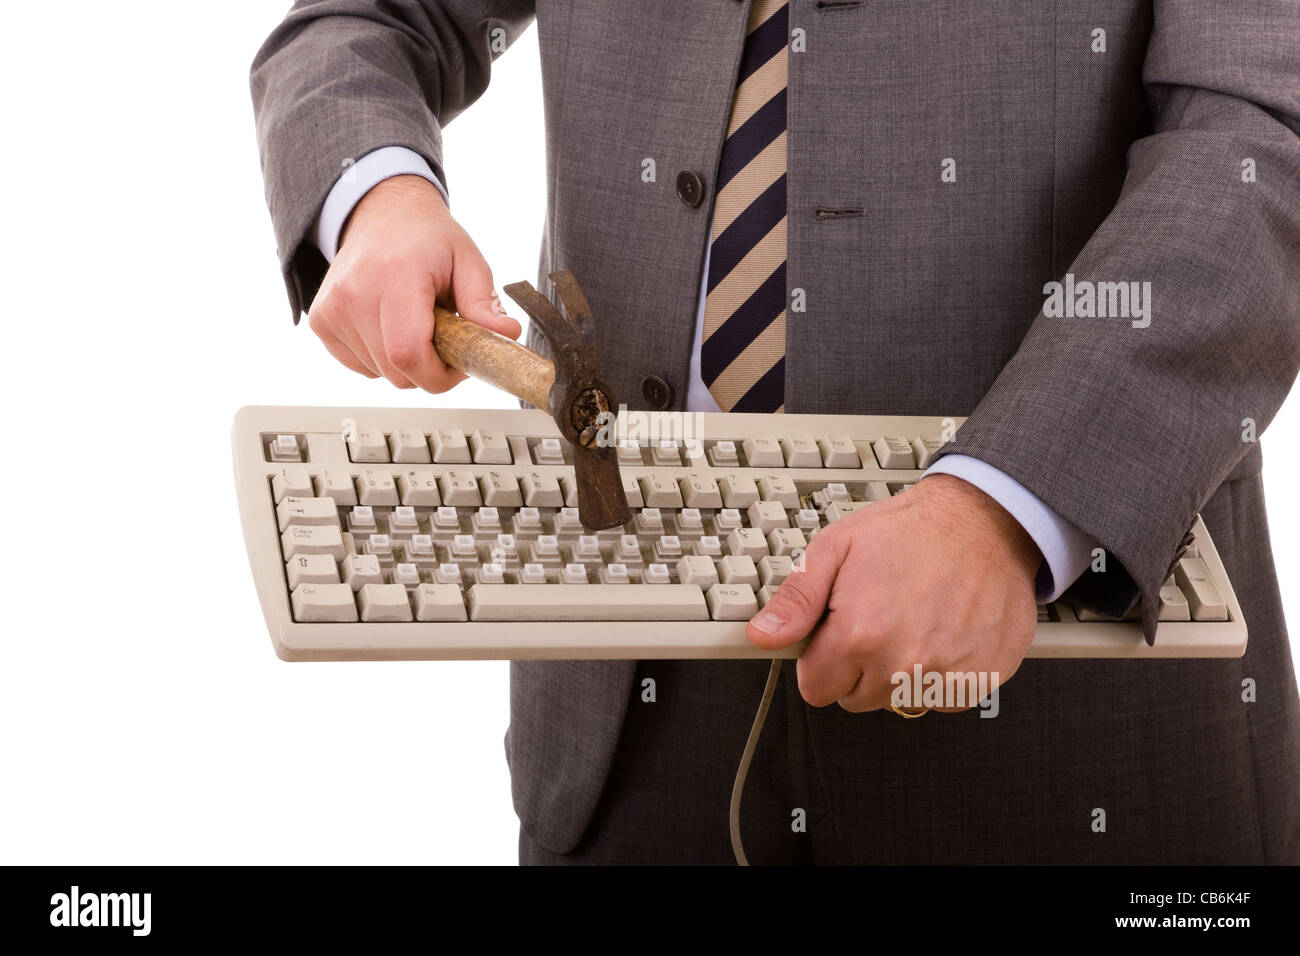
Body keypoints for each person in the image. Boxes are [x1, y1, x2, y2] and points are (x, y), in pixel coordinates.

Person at [251, 0, 1300, 864]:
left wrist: (1007, 504)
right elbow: (366, 19)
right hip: (628, 737)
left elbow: (1263, 133)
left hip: (1066, 746)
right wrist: (377, 192)